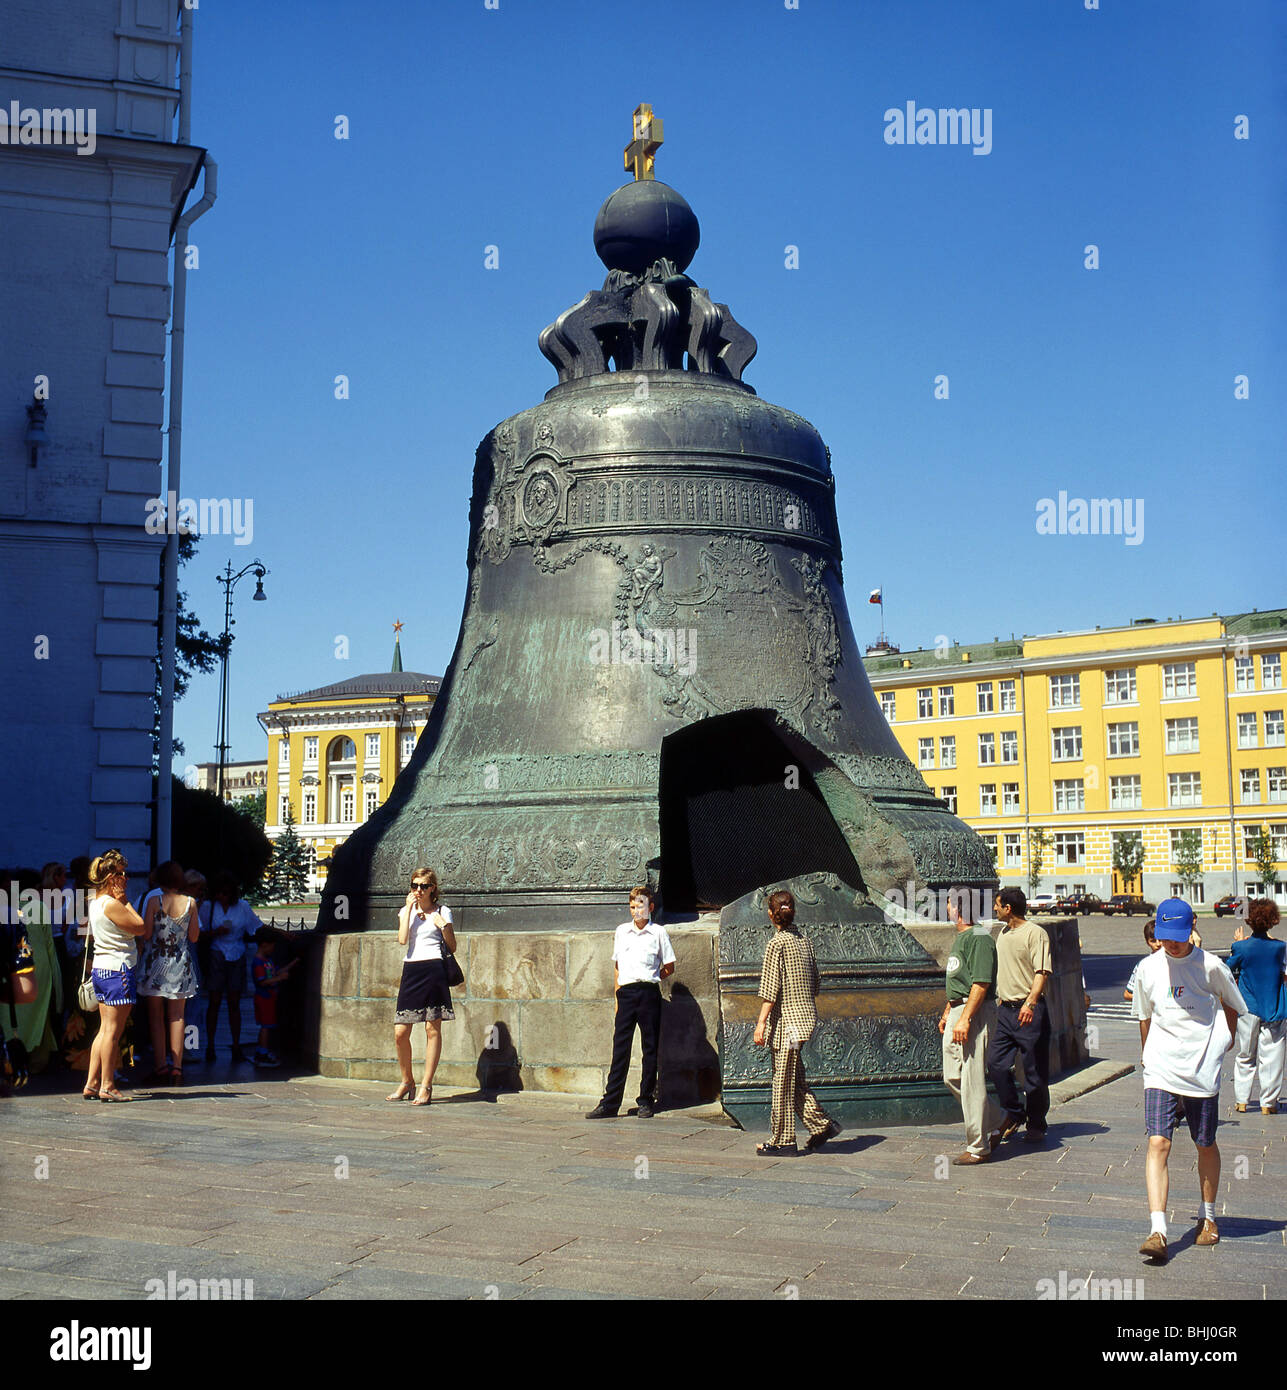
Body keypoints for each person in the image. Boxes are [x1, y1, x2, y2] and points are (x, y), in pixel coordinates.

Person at [1135, 897, 1246, 1262]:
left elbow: (1233, 1004)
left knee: (1204, 1143)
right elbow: (1144, 1016)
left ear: (1193, 926)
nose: (1172, 943)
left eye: (1178, 936)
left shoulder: (1211, 967)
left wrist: (1224, 1041)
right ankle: (1158, 1230)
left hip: (1201, 1069)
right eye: (1165, 936)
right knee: (1158, 1144)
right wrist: (1147, 1056)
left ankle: (1208, 1217)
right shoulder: (1149, 969)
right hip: (1161, 1068)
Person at [750, 889, 842, 1156]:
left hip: (787, 1025)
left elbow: (770, 989)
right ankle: (822, 1125)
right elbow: (816, 983)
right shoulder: (805, 942)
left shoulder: (776, 944)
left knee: (782, 1081)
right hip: (804, 1019)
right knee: (795, 1077)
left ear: (771, 914)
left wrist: (760, 1024)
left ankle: (782, 1141)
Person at [585, 886, 676, 1121]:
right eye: (633, 907)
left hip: (648, 993)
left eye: (641, 906)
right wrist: (617, 995)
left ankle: (645, 1100)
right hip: (625, 995)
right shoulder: (621, 931)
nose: (637, 911)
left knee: (649, 1049)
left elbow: (669, 966)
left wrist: (652, 977)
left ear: (651, 907)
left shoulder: (658, 933)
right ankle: (610, 1102)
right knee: (620, 1049)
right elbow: (617, 966)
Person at [986, 886, 1053, 1145]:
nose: (994, 908)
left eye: (997, 904)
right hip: (1006, 1012)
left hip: (1029, 1011)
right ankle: (1014, 1112)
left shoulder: (1036, 934)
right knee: (996, 1064)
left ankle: (1036, 1123)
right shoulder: (1002, 934)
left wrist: (1031, 1003)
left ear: (1008, 908)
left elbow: (1042, 972)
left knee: (1034, 1073)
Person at [939, 890, 1001, 1164]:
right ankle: (998, 1120)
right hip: (958, 1008)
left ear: (959, 908)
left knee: (972, 1080)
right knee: (952, 1076)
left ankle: (978, 1147)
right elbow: (959, 980)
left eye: (950, 904)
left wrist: (965, 1017)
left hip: (973, 1012)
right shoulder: (962, 938)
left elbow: (981, 982)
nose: (947, 908)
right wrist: (948, 1011)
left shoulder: (979, 937)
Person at [389, 869, 456, 1105]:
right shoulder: (407, 911)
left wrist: (444, 926)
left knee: (432, 1029)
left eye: (424, 886)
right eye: (414, 885)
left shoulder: (442, 911)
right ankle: (407, 1080)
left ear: (433, 888)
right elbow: (402, 940)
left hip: (434, 969)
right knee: (400, 1032)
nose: (418, 890)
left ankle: (426, 1085)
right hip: (412, 970)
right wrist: (408, 910)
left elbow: (453, 946)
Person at [84, 850, 147, 1102]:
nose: (126, 878)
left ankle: (92, 1082)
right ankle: (108, 1085)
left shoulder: (95, 902)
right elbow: (140, 926)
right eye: (121, 873)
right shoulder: (111, 904)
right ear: (111, 877)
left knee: (104, 1030)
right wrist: (125, 901)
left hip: (102, 969)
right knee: (112, 1031)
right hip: (118, 970)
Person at [137, 861, 199, 1084]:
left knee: (156, 1017)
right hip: (180, 962)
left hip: (156, 961)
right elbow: (194, 937)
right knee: (177, 1016)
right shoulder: (191, 903)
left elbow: (145, 934)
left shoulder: (155, 900)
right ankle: (178, 1067)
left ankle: (160, 1065)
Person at [1227, 899, 1287, 1116]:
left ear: (1250, 921)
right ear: (1272, 921)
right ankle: (1268, 1102)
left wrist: (1238, 944)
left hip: (1248, 1006)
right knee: (1272, 1056)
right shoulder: (1280, 948)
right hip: (1274, 1006)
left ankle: (1242, 1100)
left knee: (1245, 1054)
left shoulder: (1241, 947)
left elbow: (1227, 969)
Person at [1, 867, 63, 1074]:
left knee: (15, 1014)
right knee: (39, 1010)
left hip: (12, 965)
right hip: (38, 965)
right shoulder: (37, 906)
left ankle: (17, 1054)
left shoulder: (7, 906)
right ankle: (35, 1058)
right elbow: (49, 943)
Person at [201, 873, 263, 1064]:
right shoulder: (208, 907)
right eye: (219, 893)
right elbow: (200, 932)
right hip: (216, 953)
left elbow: (256, 927)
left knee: (234, 1003)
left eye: (226, 893)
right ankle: (209, 1047)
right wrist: (215, 933)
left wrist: (281, 934)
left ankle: (236, 1046)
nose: (222, 897)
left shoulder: (242, 907)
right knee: (214, 1001)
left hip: (236, 953)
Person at [251, 928, 297, 1068]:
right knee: (266, 1026)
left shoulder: (267, 960)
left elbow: (275, 972)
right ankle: (263, 1052)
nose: (273, 949)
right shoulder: (258, 962)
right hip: (264, 998)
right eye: (272, 946)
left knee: (267, 1026)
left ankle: (261, 1050)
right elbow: (262, 981)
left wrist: (293, 963)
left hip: (269, 998)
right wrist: (279, 978)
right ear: (264, 944)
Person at [1123, 918, 1161, 1007]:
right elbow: (1127, 994)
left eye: (1161, 940)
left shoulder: (1176, 962)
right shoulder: (1143, 965)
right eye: (1153, 941)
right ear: (1147, 942)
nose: (1158, 944)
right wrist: (1151, 999)